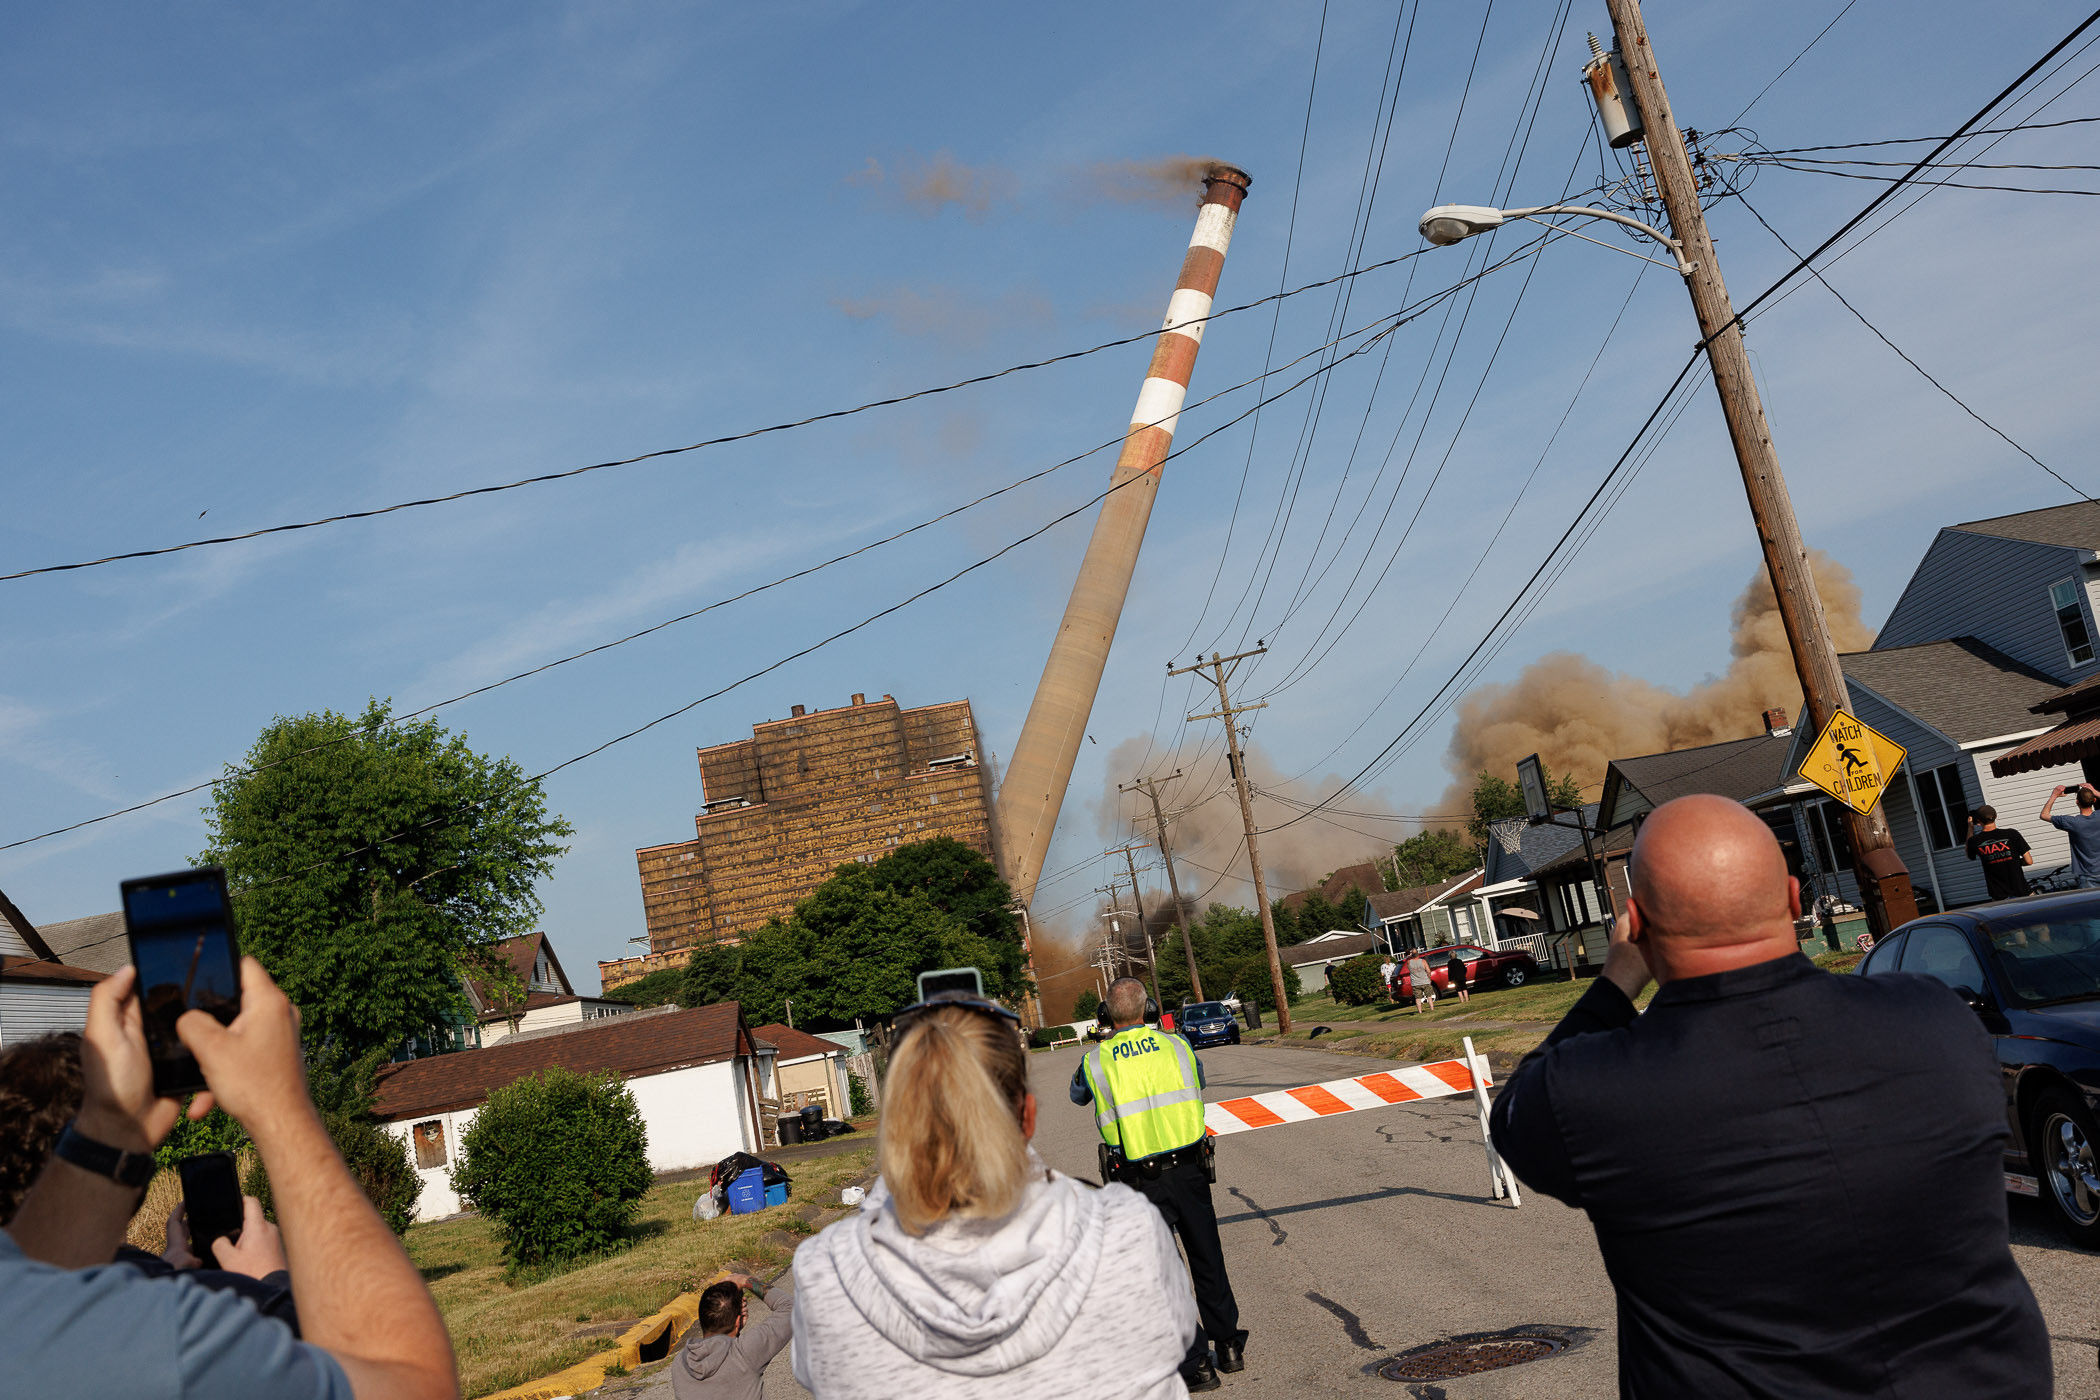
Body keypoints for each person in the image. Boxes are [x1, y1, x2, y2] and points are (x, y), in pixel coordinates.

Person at [1489, 795, 2051, 1397]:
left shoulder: (1589, 1089)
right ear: (1792, 897)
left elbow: (1515, 1117)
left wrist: (1618, 979)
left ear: (1640, 926)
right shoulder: (1938, 1018)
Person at [4, 958, 460, 1400]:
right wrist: (278, 1106)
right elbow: (416, 1384)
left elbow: (37, 1293)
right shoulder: (164, 1335)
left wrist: (111, 1130)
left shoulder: (37, 1312)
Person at [792, 991, 1196, 1399]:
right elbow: (1178, 1340)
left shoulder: (825, 1273)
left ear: (896, 1127)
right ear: (1029, 1115)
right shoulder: (1126, 1230)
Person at [1071, 978, 1243, 1392]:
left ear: (1105, 1015)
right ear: (1149, 1010)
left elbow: (1078, 1095)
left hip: (1138, 1179)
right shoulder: (1179, 1045)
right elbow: (1197, 1081)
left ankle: (1198, 1365)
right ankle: (1230, 1346)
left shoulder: (1096, 1061)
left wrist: (1108, 1040)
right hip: (1190, 1169)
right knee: (1208, 1258)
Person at [675, 1270, 792, 1400]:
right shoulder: (745, 1353)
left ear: (702, 1318)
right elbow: (792, 1307)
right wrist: (745, 1280)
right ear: (738, 1321)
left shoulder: (681, 1363)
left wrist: (734, 1331)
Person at [1965, 805, 2034, 901]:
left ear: (1978, 821)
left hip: (1999, 896)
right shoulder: (2012, 834)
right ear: (1996, 817)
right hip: (2022, 891)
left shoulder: (1975, 841)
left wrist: (1970, 828)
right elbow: (2029, 861)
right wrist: (2013, 861)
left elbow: (1969, 854)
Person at [2040, 781, 2100, 887]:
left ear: (2077, 802)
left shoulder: (2072, 822)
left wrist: (2054, 795)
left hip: (2087, 876)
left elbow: (2044, 815)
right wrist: (2095, 792)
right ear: (2094, 800)